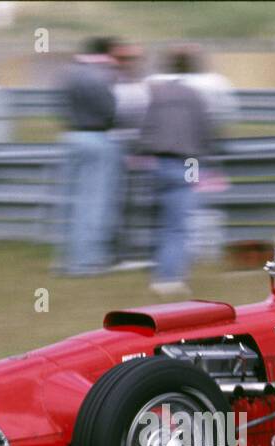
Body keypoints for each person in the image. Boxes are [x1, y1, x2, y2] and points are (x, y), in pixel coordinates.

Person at [137, 47, 216, 298]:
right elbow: (206, 131)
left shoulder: (157, 94)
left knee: (163, 223)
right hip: (187, 163)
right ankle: (169, 279)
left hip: (159, 163)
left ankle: (160, 270)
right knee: (178, 226)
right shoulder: (195, 96)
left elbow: (146, 130)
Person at [57, 37, 122, 276]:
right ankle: (86, 262)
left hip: (71, 137)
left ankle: (67, 259)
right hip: (96, 137)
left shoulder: (69, 73)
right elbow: (110, 109)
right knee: (94, 203)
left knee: (73, 202)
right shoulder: (100, 73)